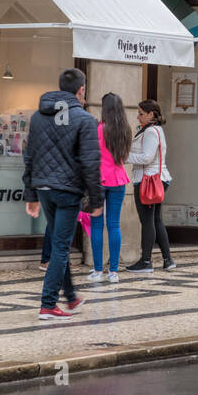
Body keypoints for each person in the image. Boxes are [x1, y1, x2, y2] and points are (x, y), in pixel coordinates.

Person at [23, 68, 103, 321]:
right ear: (80, 90)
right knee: (60, 246)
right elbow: (91, 163)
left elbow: (29, 156)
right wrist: (97, 200)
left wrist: (31, 194)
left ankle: (70, 297)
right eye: (84, 90)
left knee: (60, 243)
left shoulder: (38, 117)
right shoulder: (85, 119)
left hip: (44, 188)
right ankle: (47, 304)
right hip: (68, 191)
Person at [125, 99, 175, 273]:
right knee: (155, 220)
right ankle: (168, 260)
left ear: (151, 114)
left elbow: (147, 157)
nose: (137, 117)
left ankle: (146, 261)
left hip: (149, 181)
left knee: (147, 221)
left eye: (140, 113)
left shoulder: (151, 132)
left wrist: (124, 157)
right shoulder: (152, 130)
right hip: (156, 179)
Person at [87, 93, 132, 283]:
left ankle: (98, 270)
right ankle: (114, 271)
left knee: (97, 224)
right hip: (118, 180)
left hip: (99, 180)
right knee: (114, 225)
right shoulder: (125, 130)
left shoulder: (99, 128)